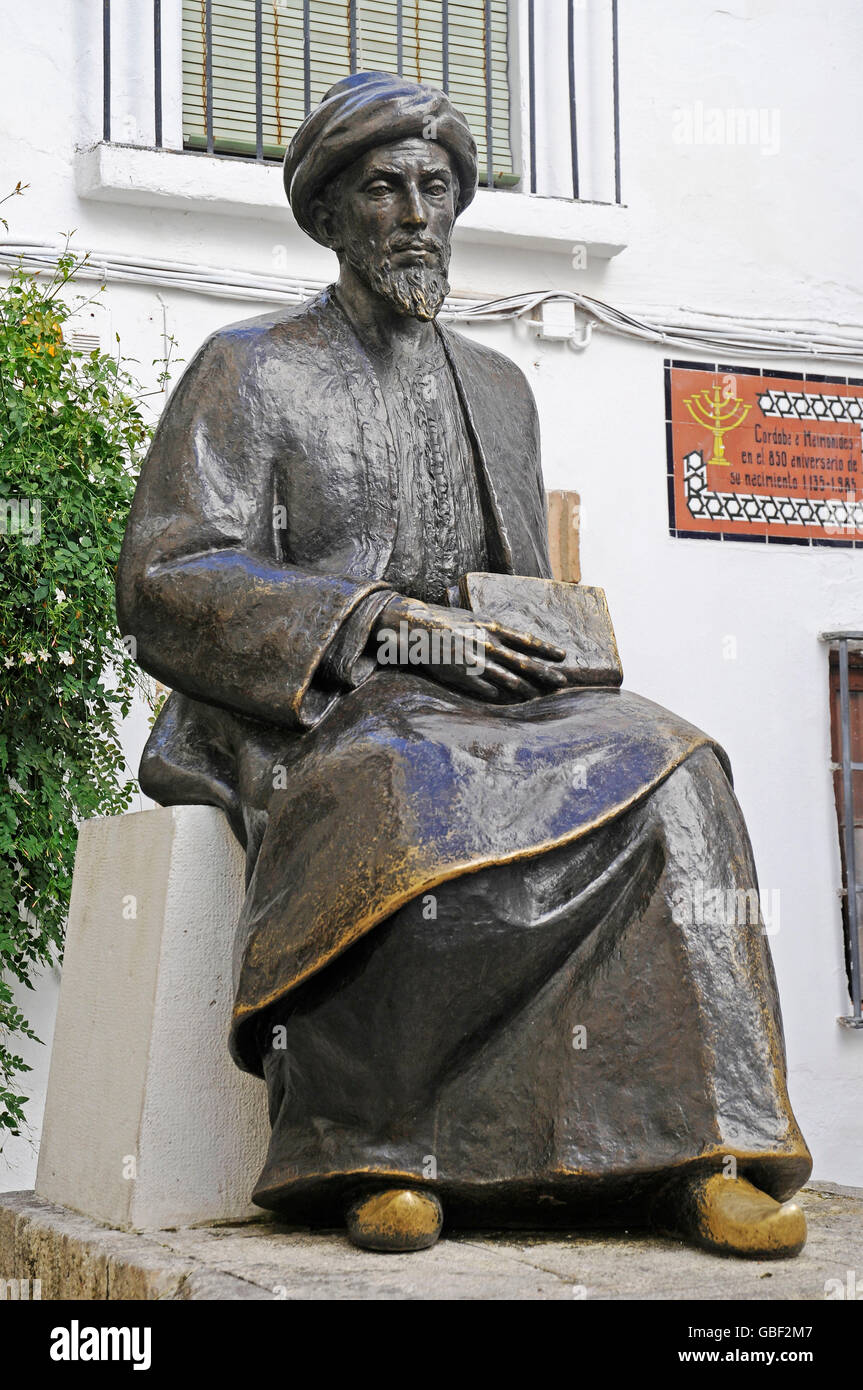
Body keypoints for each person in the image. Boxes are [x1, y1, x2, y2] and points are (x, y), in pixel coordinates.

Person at [116, 71, 810, 1256]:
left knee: (674, 767)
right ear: (330, 214)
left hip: (486, 694)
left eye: (435, 189)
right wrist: (379, 624)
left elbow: (515, 581)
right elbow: (169, 575)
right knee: (402, 785)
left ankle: (698, 1144)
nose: (415, 214)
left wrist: (544, 647)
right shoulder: (251, 367)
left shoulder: (498, 387)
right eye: (384, 188)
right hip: (323, 699)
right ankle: (378, 1149)